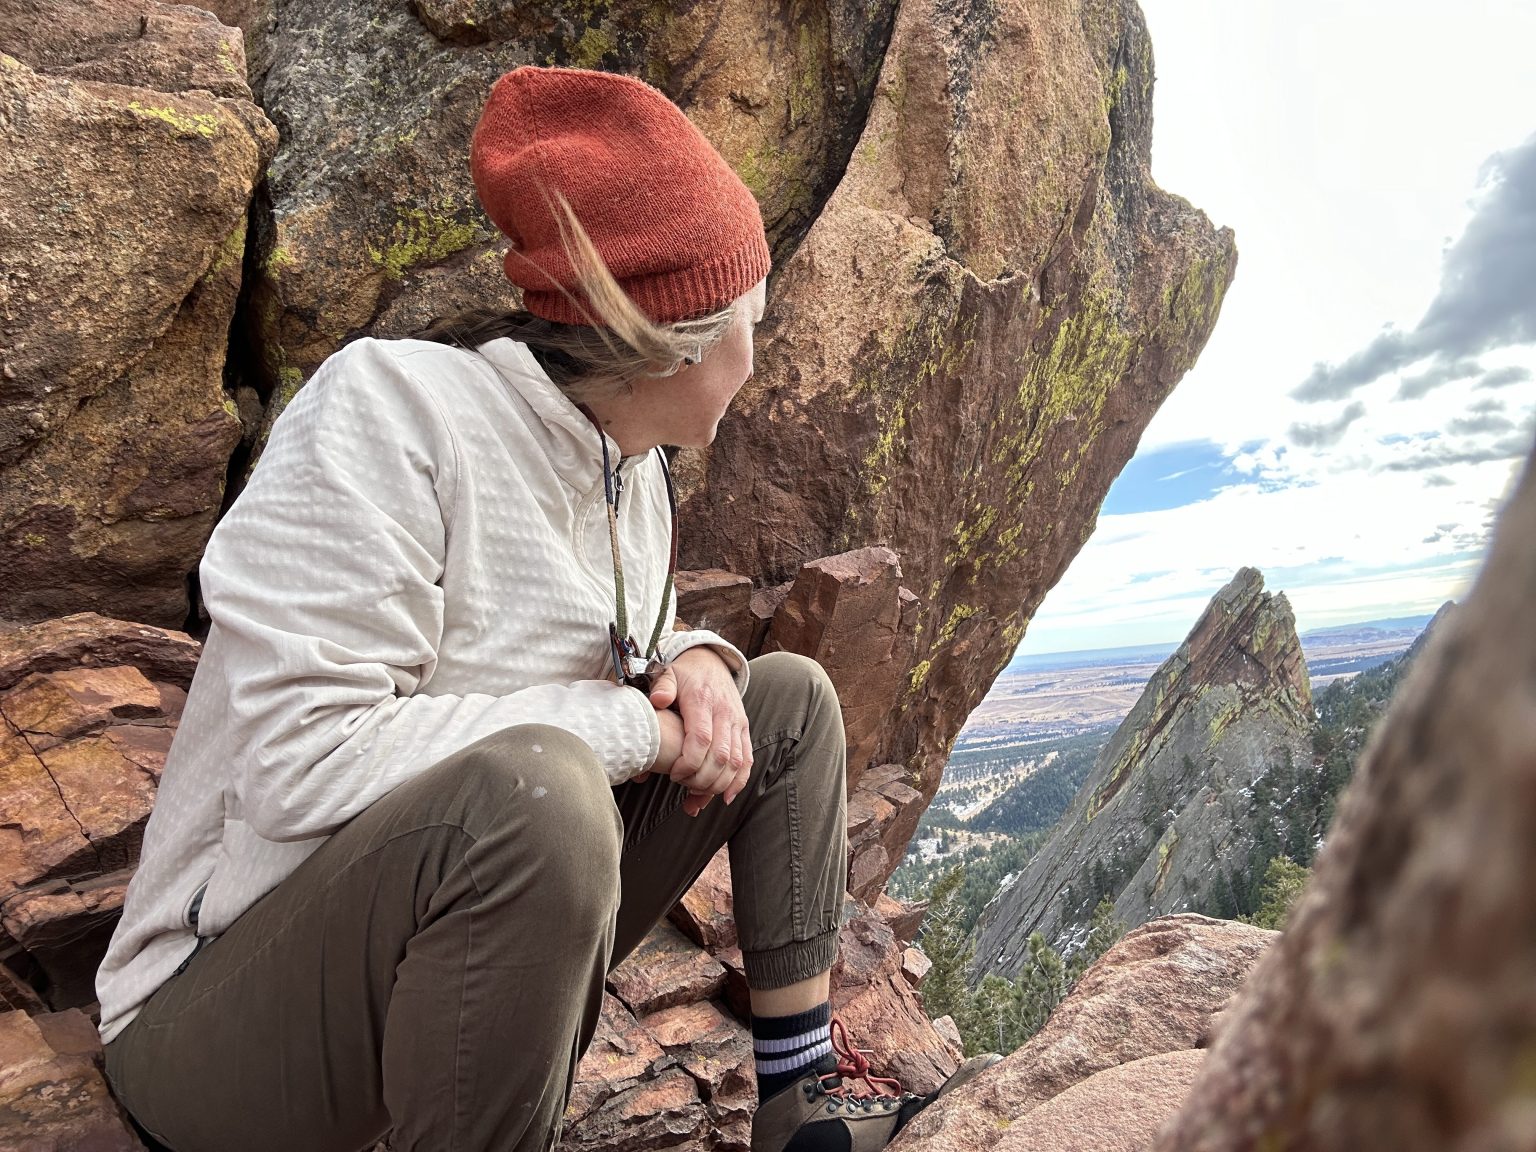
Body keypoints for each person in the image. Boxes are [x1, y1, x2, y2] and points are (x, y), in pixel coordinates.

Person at [94, 65, 994, 1152]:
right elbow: (303, 762)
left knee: (785, 702)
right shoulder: (392, 410)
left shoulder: (632, 471)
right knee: (545, 800)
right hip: (217, 1019)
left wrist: (695, 664)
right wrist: (637, 728)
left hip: (432, 973)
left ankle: (800, 1109)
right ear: (682, 338)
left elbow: (610, 652)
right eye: (753, 309)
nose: (766, 339)